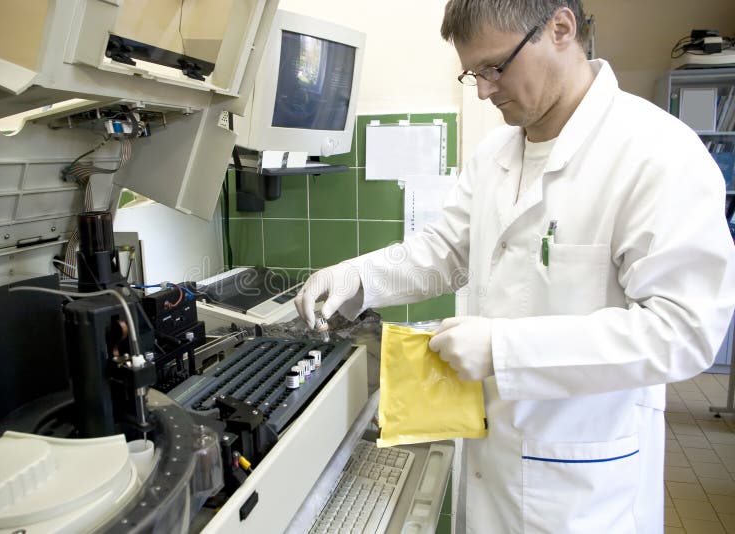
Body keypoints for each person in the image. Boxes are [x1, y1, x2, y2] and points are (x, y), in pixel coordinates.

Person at [294, 1, 735, 532]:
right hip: (490, 465)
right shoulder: (495, 154)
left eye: (495, 66)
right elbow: (444, 250)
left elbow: (684, 332)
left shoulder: (657, 154)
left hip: (581, 489)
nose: (483, 89)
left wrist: (505, 349)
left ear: (561, 29)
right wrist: (359, 277)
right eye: (472, 73)